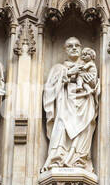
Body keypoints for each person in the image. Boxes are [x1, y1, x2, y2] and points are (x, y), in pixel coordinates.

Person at [42, 37, 99, 171]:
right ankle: (58, 158)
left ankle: (79, 159)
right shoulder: (58, 68)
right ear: (65, 50)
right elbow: (48, 89)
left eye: (76, 46)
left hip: (84, 103)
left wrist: (92, 82)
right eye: (70, 46)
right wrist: (67, 74)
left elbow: (95, 87)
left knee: (84, 129)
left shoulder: (88, 66)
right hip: (64, 103)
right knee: (61, 127)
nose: (73, 48)